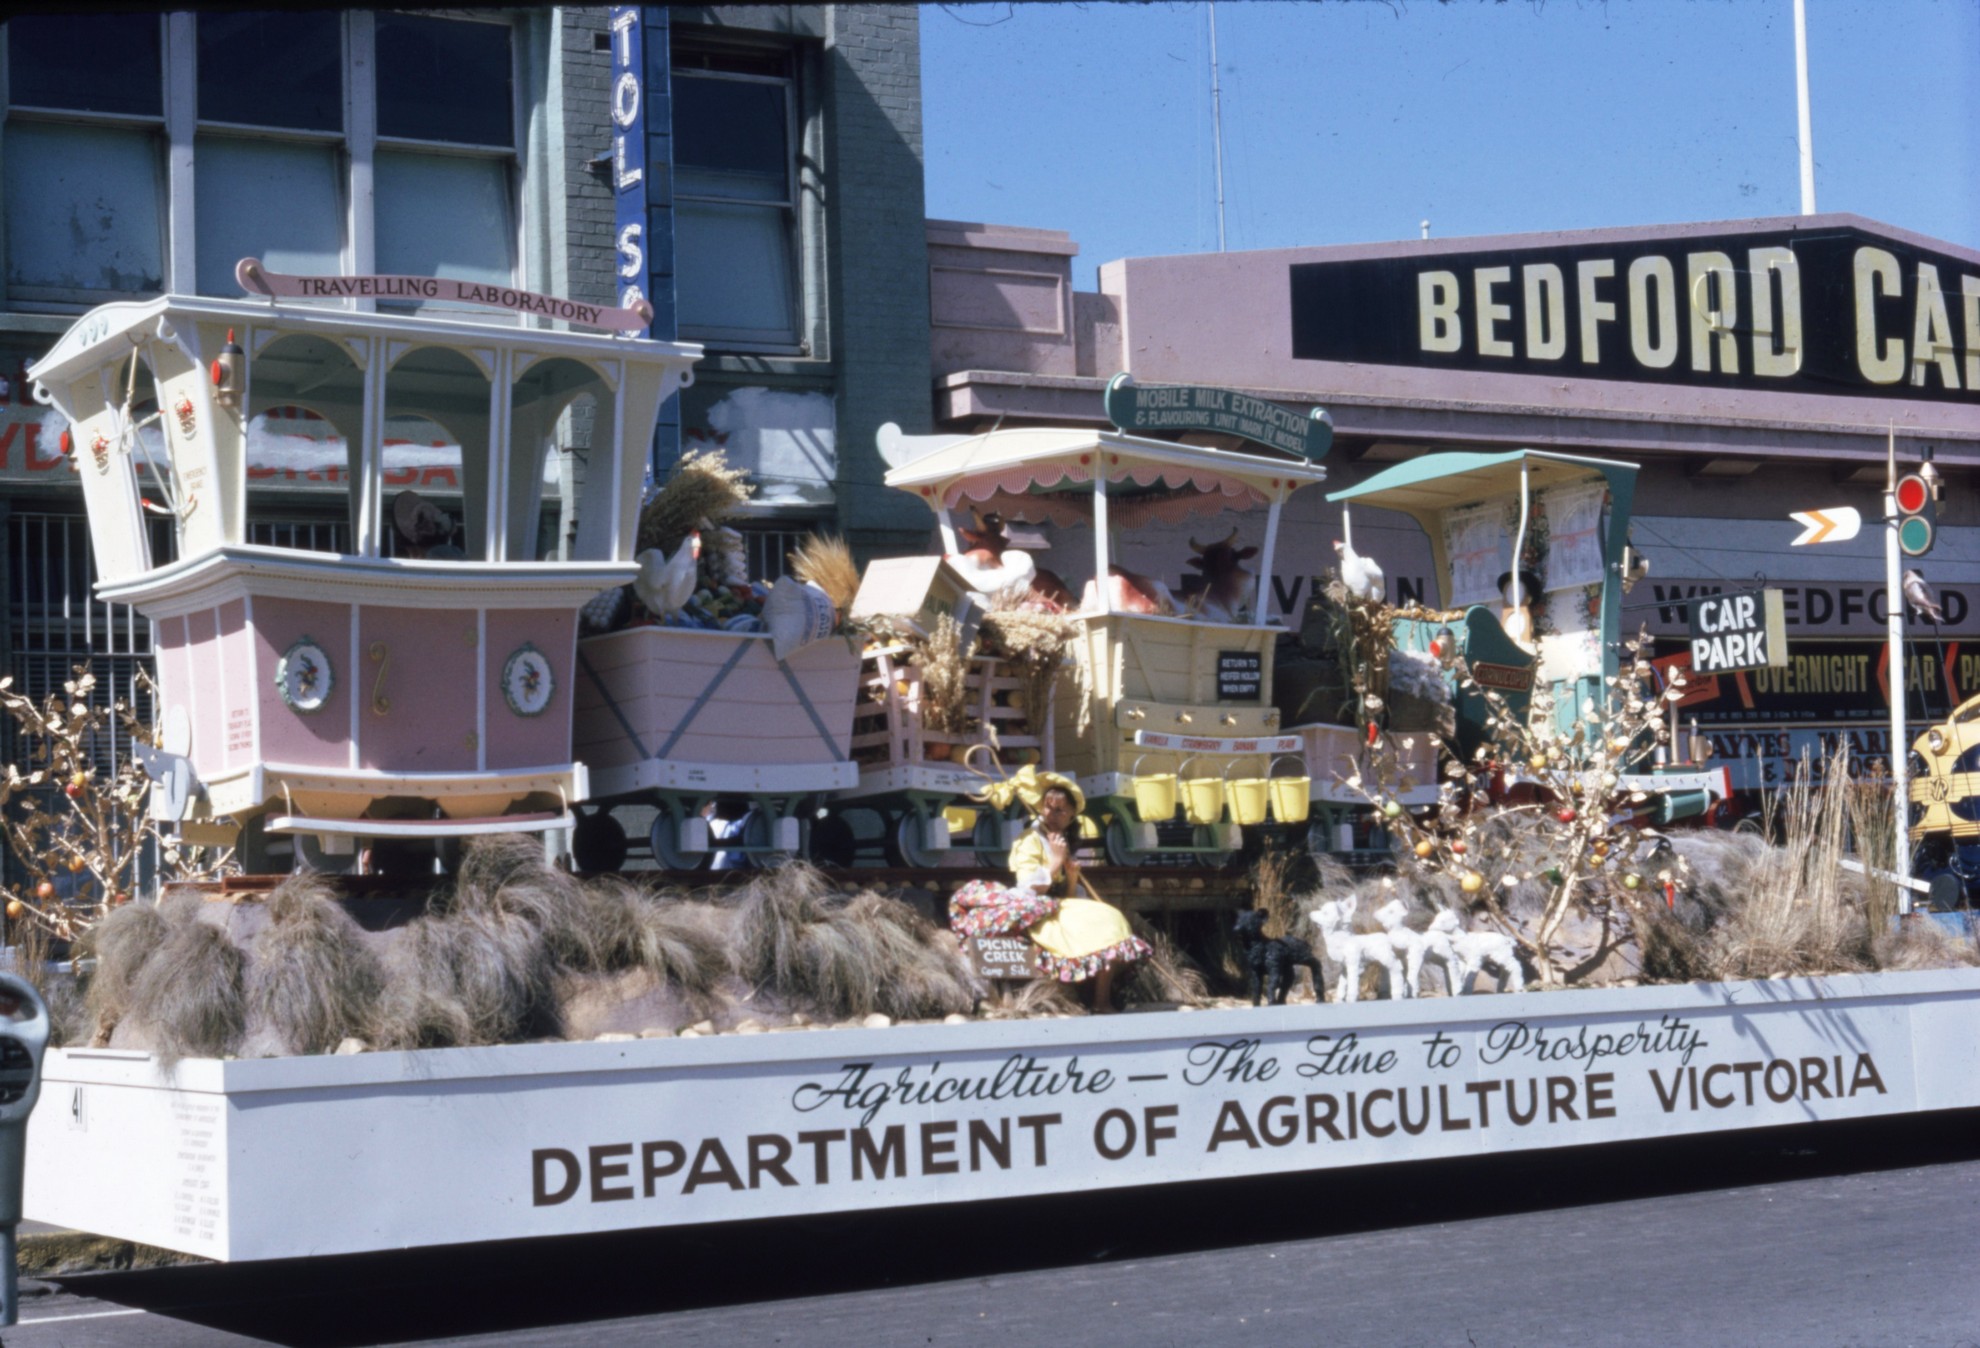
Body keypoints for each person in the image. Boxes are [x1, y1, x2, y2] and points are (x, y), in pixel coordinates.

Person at [950, 772, 1150, 1012]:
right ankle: (1098, 1000)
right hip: (1033, 908)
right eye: (1048, 808)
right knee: (1102, 923)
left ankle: (1101, 999)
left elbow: (1069, 897)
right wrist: (1055, 861)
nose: (1051, 815)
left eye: (1059, 811)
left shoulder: (1060, 840)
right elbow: (1029, 888)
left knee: (1110, 917)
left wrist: (1071, 875)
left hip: (1057, 905)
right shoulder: (1029, 840)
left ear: (1071, 816)